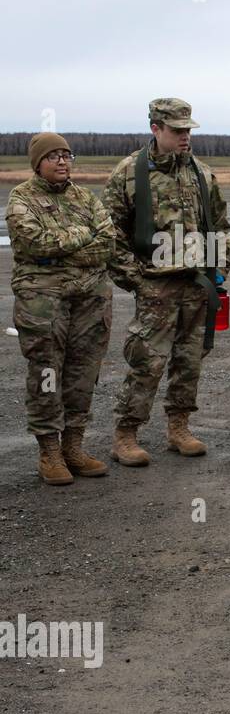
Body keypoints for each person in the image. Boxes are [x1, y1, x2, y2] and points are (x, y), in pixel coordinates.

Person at [102, 97, 230, 466]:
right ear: (156, 129)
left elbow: (220, 226)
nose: (185, 136)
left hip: (197, 285)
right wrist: (136, 281)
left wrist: (219, 266)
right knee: (148, 362)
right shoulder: (130, 172)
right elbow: (110, 233)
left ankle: (179, 427)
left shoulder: (201, 173)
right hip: (155, 285)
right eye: (177, 130)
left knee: (190, 361)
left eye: (189, 129)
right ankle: (126, 435)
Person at [5, 133, 114, 484]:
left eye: (67, 155)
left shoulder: (85, 197)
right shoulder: (22, 198)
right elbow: (34, 243)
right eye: (53, 156)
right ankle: (49, 453)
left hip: (90, 300)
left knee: (83, 373)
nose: (63, 162)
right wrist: (83, 235)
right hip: (43, 302)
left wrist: (62, 251)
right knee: (47, 373)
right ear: (38, 163)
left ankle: (73, 447)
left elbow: (108, 241)